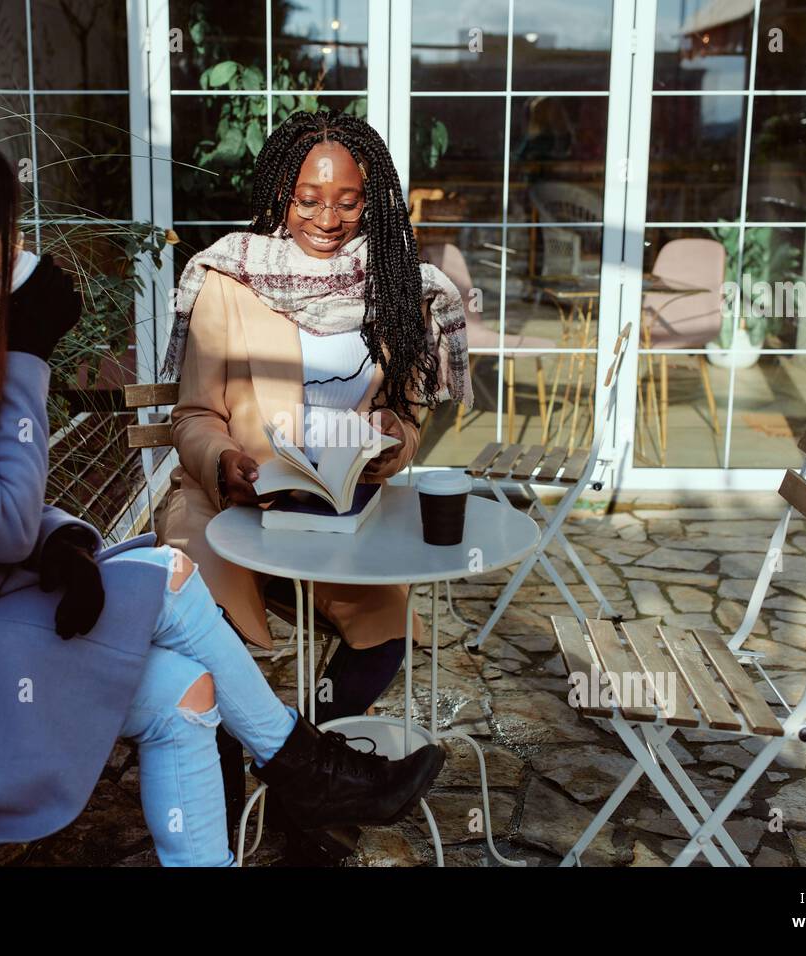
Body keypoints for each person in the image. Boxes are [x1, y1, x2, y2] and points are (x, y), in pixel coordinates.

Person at [0, 118, 445, 867]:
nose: (15, 251)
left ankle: (294, 775)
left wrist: (58, 536)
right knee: (170, 574)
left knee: (185, 691)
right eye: (1, 232)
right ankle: (304, 768)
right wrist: (25, 355)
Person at [155, 108, 471, 860]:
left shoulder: (393, 285)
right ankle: (254, 797)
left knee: (384, 638)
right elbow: (194, 415)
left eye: (348, 200)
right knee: (210, 635)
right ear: (279, 195)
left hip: (337, 509)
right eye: (307, 198)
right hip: (229, 503)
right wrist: (222, 460)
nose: (327, 218)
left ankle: (301, 772)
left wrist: (396, 440)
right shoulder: (229, 277)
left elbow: (402, 411)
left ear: (373, 199)